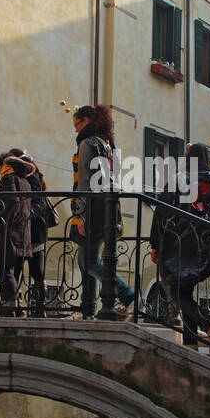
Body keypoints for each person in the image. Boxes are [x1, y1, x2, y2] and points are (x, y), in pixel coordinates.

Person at [149, 144, 210, 348]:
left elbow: (161, 213)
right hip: (206, 248)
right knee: (185, 293)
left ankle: (207, 323)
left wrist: (155, 244)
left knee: (176, 292)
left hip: (178, 246)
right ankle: (191, 342)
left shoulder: (178, 179)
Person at [70, 104, 135, 316]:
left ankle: (128, 296)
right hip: (107, 208)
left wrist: (80, 215)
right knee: (87, 262)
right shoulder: (109, 145)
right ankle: (88, 310)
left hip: (91, 209)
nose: (76, 130)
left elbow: (84, 182)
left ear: (87, 120)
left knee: (89, 263)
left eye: (77, 124)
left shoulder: (87, 144)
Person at [8, 149, 53, 317]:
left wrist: (24, 217)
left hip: (31, 231)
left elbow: (37, 203)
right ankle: (33, 308)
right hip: (32, 231)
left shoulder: (30, 177)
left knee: (25, 270)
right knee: (33, 271)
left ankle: (28, 308)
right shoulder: (35, 175)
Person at [0, 150, 34, 316]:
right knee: (14, 272)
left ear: (3, 166)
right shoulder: (25, 182)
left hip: (8, 234)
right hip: (23, 234)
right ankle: (16, 308)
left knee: (5, 272)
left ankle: (9, 308)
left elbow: (11, 205)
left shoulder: (8, 179)